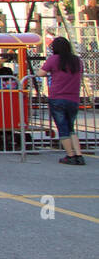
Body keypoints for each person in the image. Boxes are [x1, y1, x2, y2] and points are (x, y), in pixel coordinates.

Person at [37, 37, 85, 165]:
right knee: (71, 128)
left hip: (57, 97)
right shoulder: (77, 61)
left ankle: (70, 156)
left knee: (62, 128)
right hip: (74, 98)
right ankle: (79, 155)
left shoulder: (54, 59)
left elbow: (40, 73)